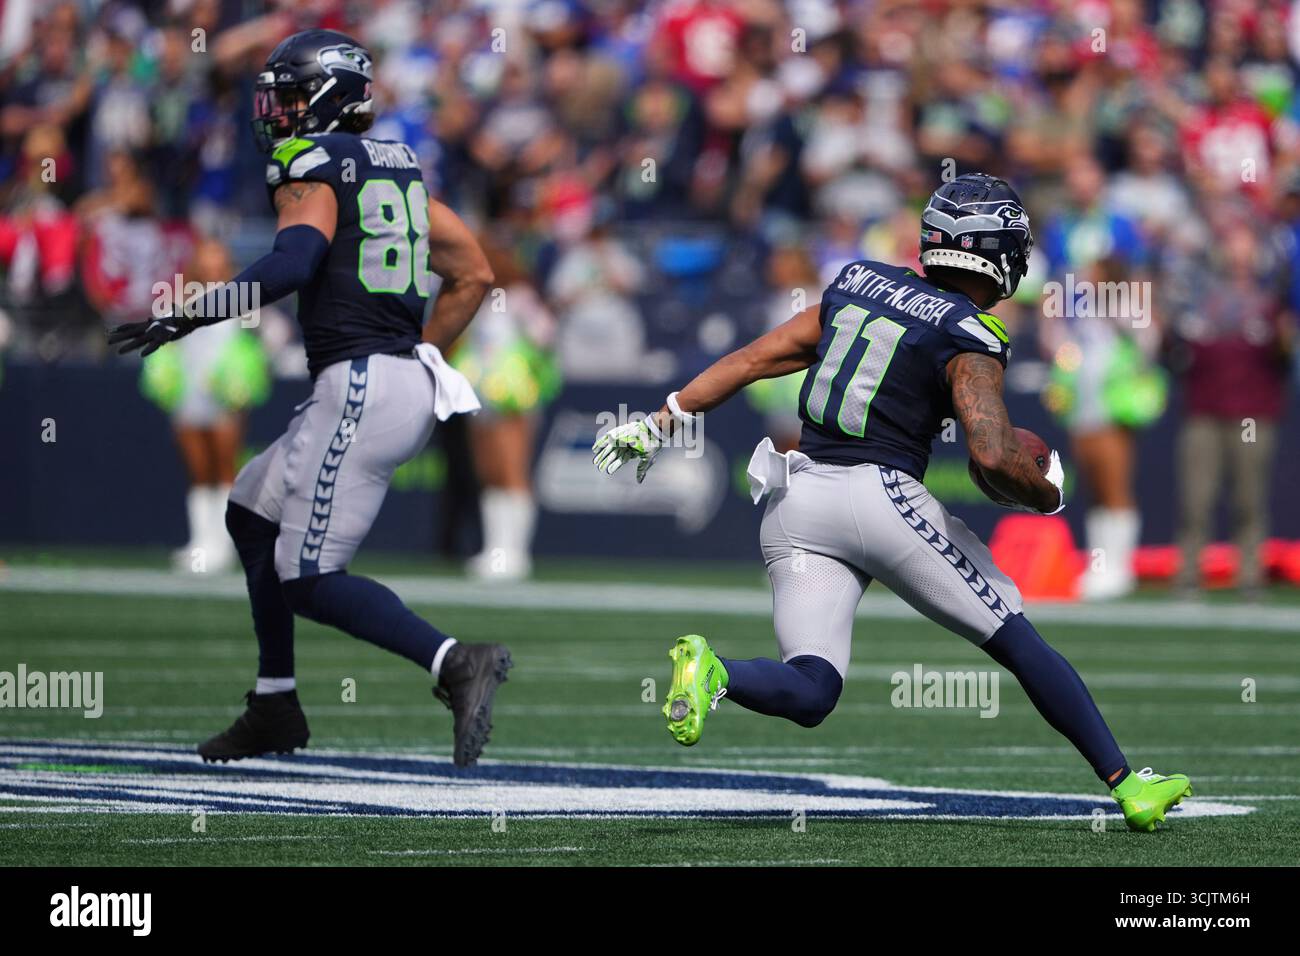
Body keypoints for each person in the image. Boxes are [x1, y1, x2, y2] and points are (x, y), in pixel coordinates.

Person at [593, 174, 1191, 832]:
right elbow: (991, 454)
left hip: (795, 499)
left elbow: (754, 358)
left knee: (813, 687)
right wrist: (1044, 492)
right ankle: (1130, 783)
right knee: (1017, 637)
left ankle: (717, 672)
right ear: (994, 252)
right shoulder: (971, 332)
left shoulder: (858, 283)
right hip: (878, 496)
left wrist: (658, 421)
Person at [108, 30, 509, 767]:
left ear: (329, 94)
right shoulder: (401, 165)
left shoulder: (309, 161)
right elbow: (475, 272)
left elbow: (296, 260)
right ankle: (275, 703)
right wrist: (424, 351)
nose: (279, 110)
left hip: (362, 378)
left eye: (292, 94)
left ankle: (456, 662)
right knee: (250, 511)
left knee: (312, 577)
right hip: (386, 376)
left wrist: (188, 311)